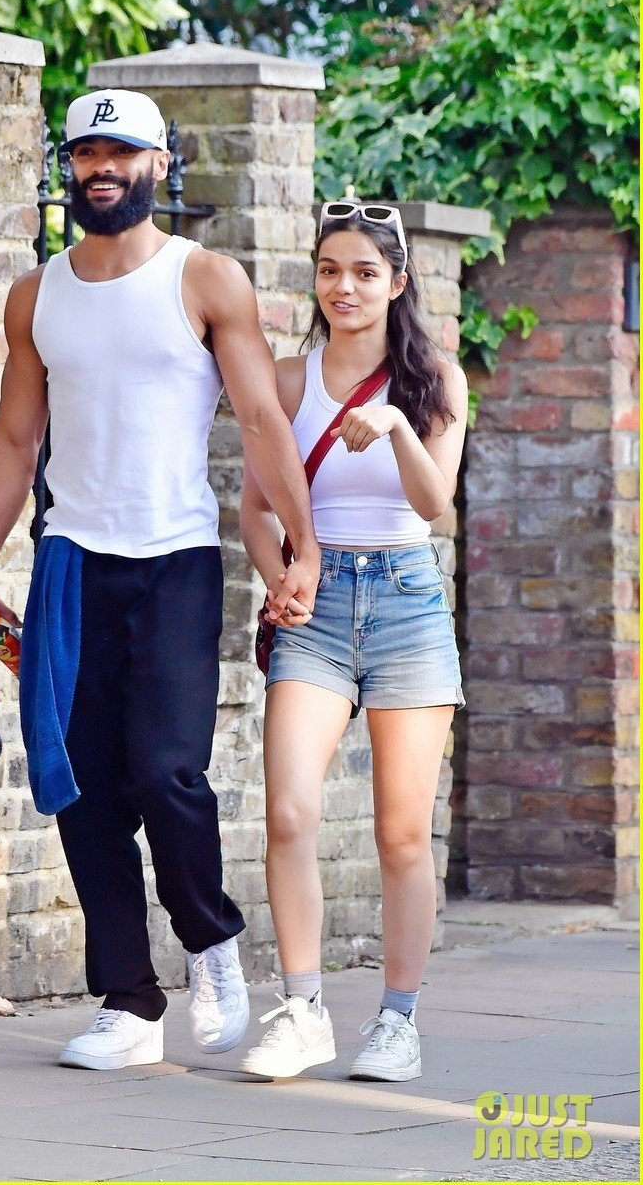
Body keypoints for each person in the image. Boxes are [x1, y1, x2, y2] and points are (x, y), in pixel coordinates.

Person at [0, 89, 321, 1071]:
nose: (101, 167)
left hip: (174, 563)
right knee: (80, 786)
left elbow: (258, 422)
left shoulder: (205, 280)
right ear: (68, 167)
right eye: (85, 152)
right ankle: (128, 1001)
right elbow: (13, 435)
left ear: (159, 163)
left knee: (166, 770)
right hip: (73, 560)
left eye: (121, 151)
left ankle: (208, 938)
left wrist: (304, 545)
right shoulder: (36, 294)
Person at [238, 201, 467, 1082]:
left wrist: (401, 427)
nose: (345, 287)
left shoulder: (435, 382)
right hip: (318, 612)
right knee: (288, 811)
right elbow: (256, 510)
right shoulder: (290, 384)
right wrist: (282, 575)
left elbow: (431, 505)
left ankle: (397, 1022)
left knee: (402, 834)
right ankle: (300, 1011)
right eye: (330, 270)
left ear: (397, 283)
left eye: (365, 273)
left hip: (407, 604)